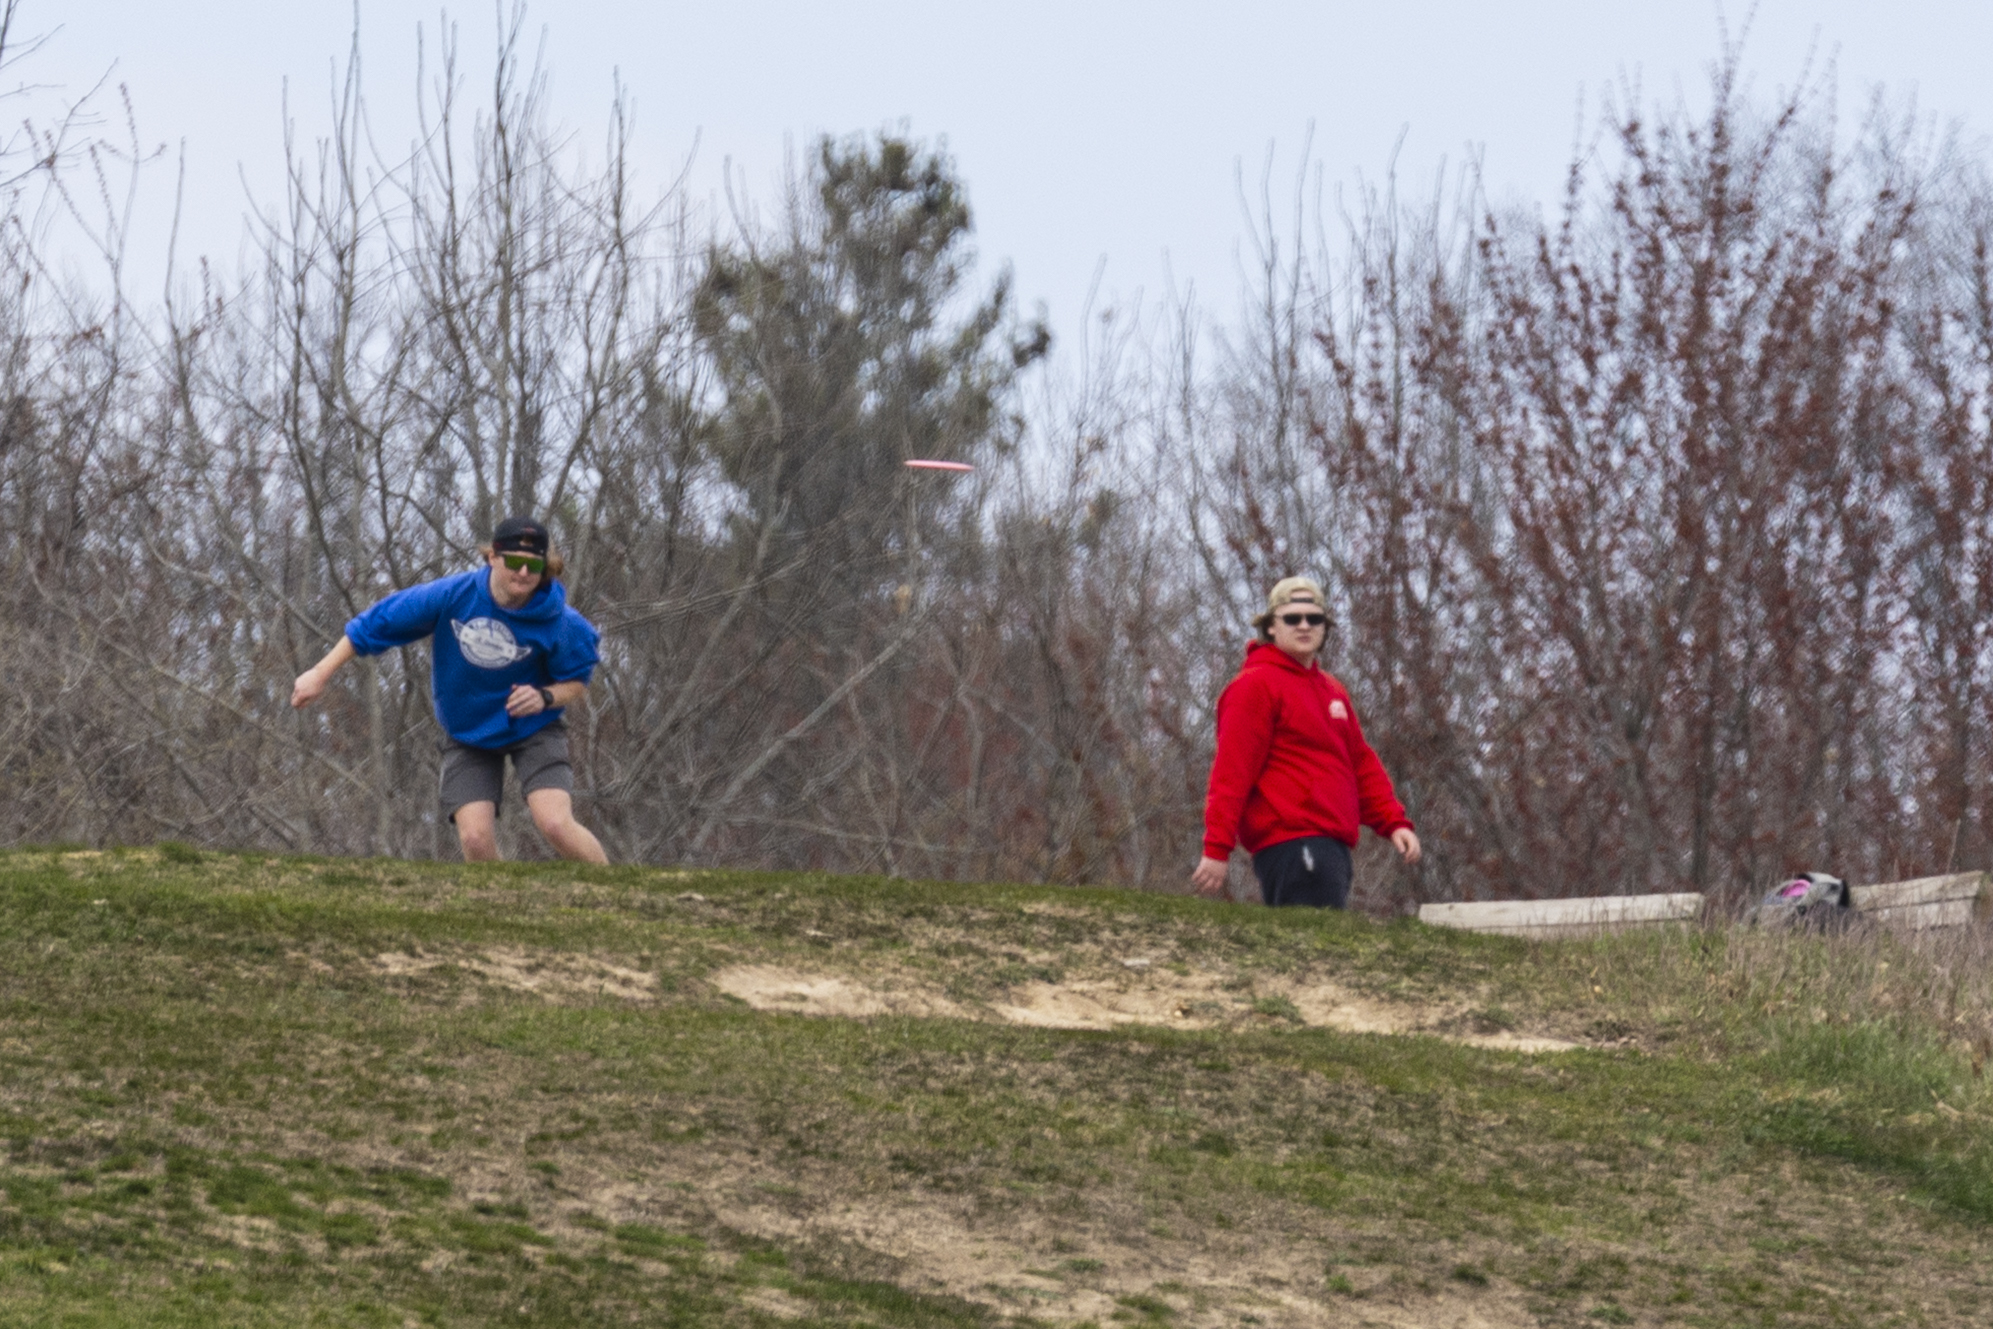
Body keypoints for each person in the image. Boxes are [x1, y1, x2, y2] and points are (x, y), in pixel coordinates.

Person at [290, 515, 609, 865]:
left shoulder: (561, 621)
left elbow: (578, 683)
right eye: (514, 562)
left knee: (555, 824)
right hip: (467, 731)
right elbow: (376, 624)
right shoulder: (453, 596)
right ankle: (502, 912)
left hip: (533, 726)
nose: (523, 574)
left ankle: (618, 900)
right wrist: (320, 673)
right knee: (474, 839)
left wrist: (546, 697)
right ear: (492, 558)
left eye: (533, 566)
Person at [1191, 576, 1419, 907]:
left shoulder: (1332, 689)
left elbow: (1360, 763)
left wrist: (1393, 822)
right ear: (1271, 627)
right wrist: (1216, 848)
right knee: (1310, 950)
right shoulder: (1255, 686)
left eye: (1314, 619)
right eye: (1292, 618)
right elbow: (1232, 772)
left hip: (1333, 845)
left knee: (1322, 948)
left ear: (1325, 627)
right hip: (1292, 844)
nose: (1304, 626)